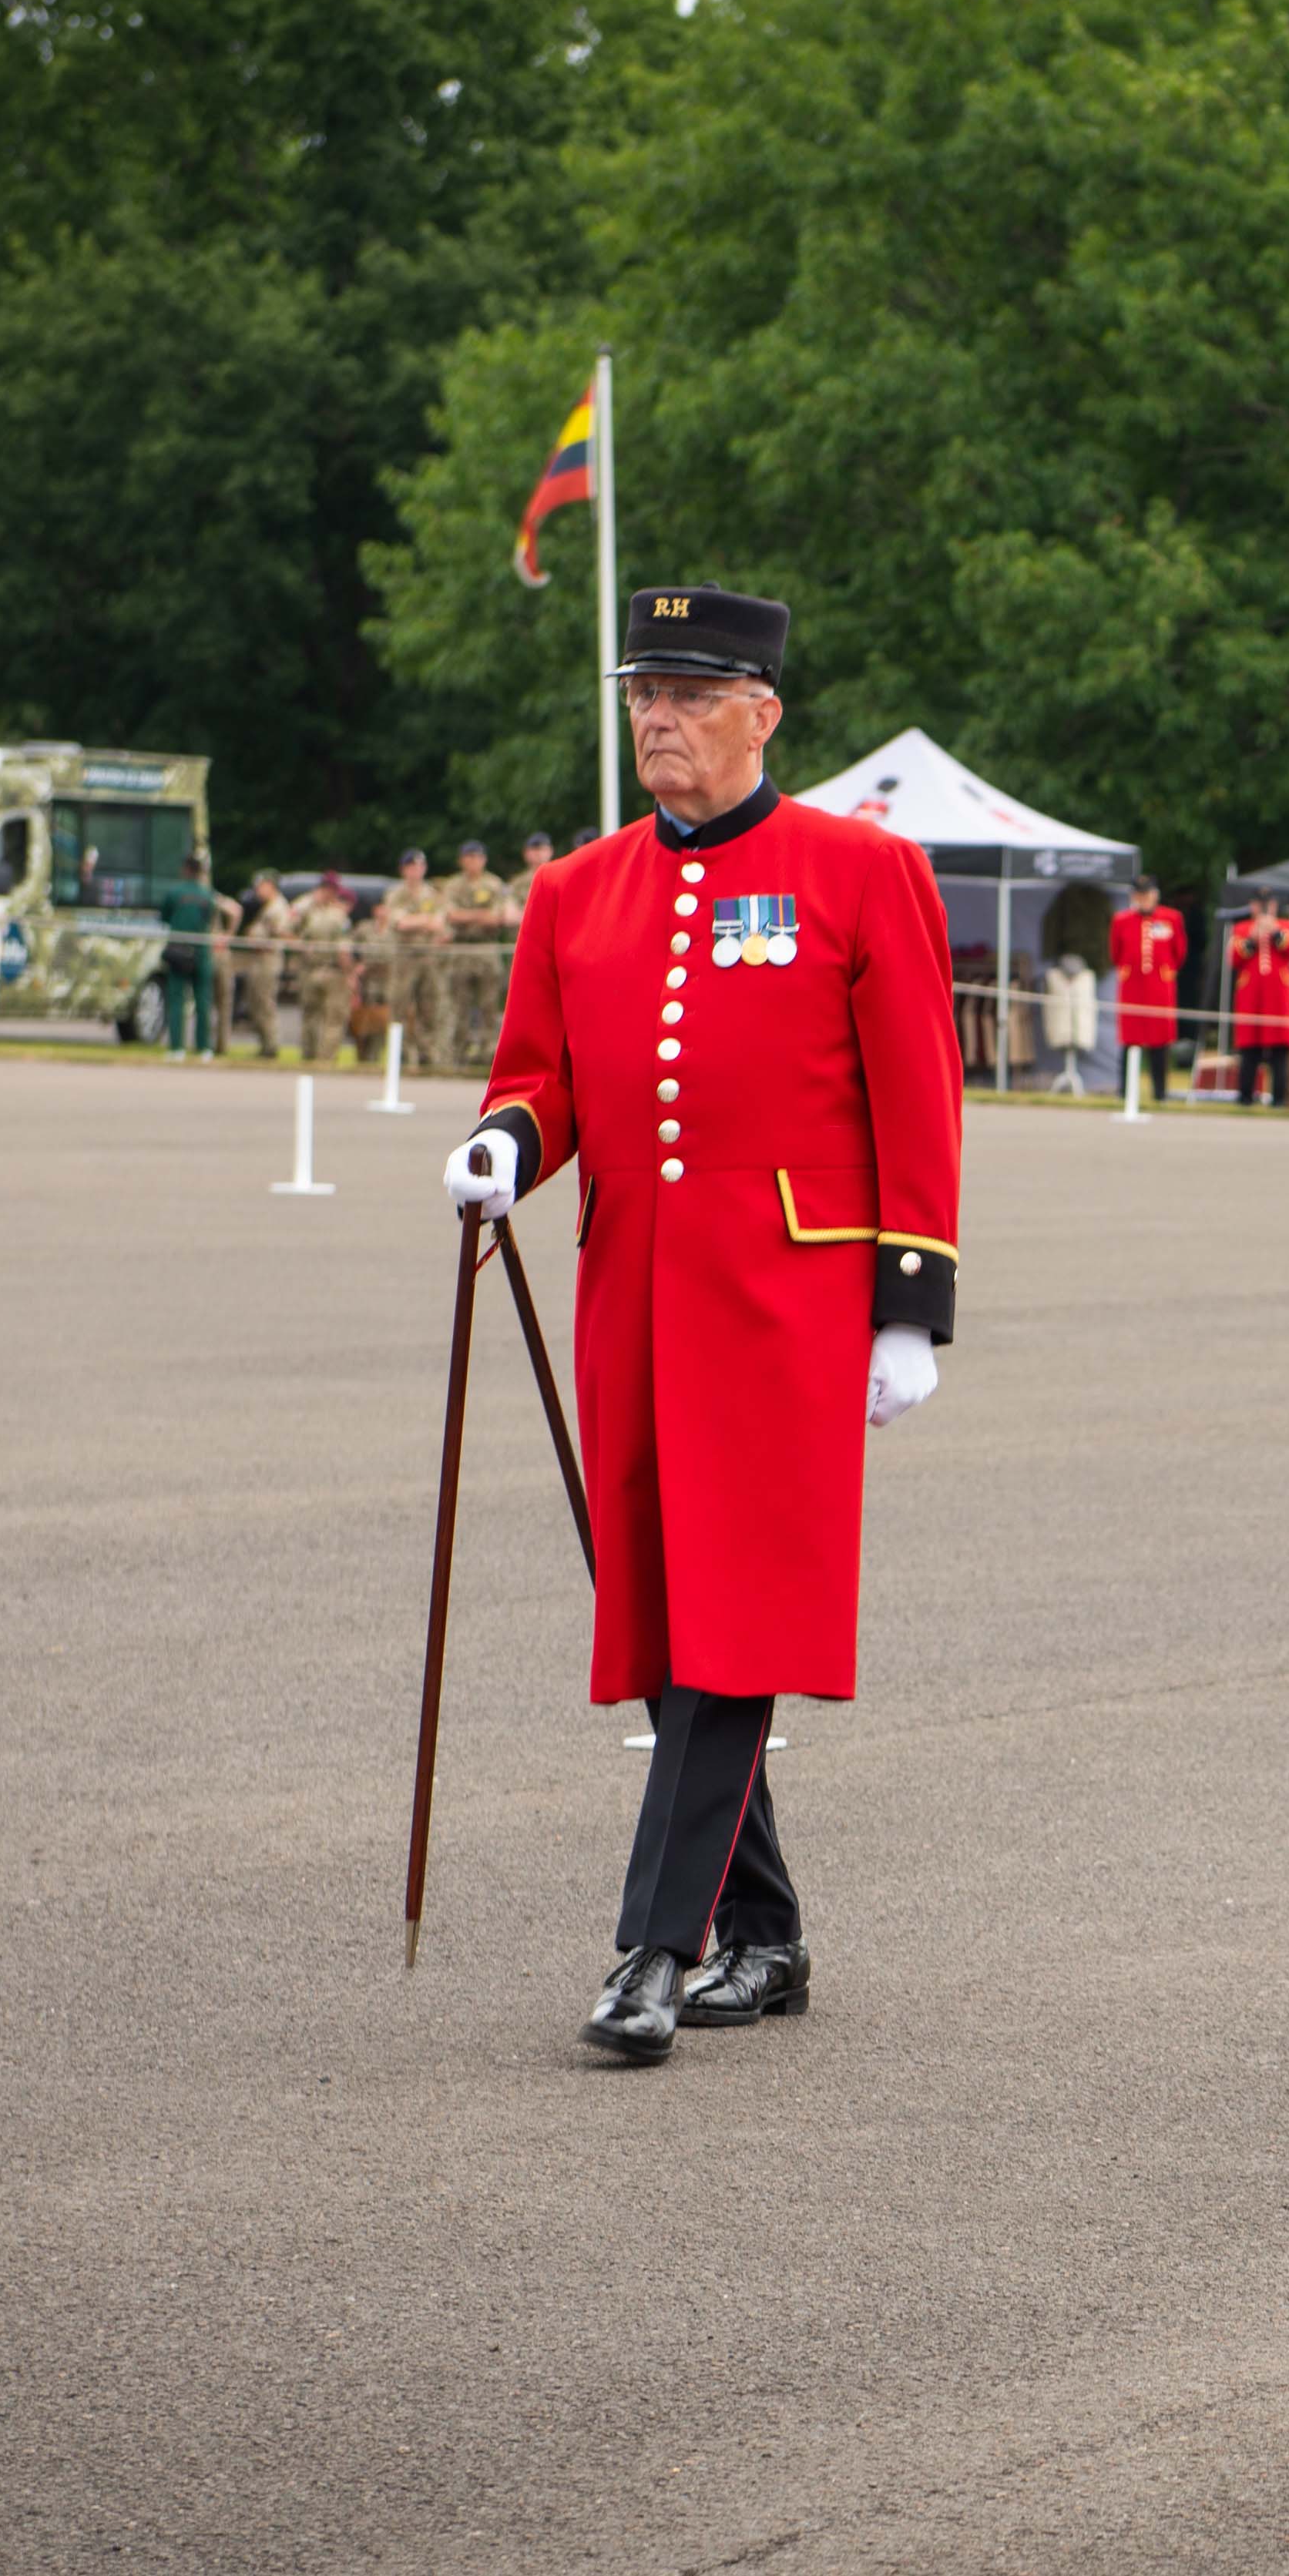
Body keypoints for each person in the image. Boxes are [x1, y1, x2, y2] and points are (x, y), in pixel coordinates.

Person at [444, 585, 960, 2066]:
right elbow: (542, 1074)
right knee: (677, 1618)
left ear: (762, 712)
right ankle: (770, 1931)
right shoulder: (574, 893)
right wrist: (507, 1144)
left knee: (741, 1621)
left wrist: (908, 1306)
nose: (658, 717)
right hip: (637, 1296)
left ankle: (654, 1948)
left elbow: (918, 1096)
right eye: (642, 693)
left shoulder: (859, 873)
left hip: (789, 1306)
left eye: (688, 691)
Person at [1107, 881, 1188, 1102]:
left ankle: (1160, 1092)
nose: (1143, 900)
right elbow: (1115, 954)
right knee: (1130, 1040)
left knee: (1159, 1040)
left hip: (1159, 988)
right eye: (1139, 895)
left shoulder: (1171, 918)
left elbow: (1179, 952)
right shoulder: (1121, 920)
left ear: (1155, 895)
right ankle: (1124, 1091)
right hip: (1132, 986)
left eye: (1147, 895)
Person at [441, 840, 518, 1066]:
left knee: (488, 1004)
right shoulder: (453, 885)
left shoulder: (494, 884)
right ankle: (458, 1053)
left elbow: (499, 917)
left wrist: (468, 915)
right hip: (462, 948)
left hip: (487, 948)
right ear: (462, 860)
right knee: (459, 1004)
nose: (472, 861)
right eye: (468, 857)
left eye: (477, 857)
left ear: (483, 860)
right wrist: (480, 915)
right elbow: (451, 915)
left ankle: (489, 1053)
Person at [377, 847, 454, 1069]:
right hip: (404, 958)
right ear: (404, 870)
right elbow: (400, 923)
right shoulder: (396, 894)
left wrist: (418, 921)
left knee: (430, 1006)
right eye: (411, 866)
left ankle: (428, 1053)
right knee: (399, 1006)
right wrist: (426, 921)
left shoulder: (433, 894)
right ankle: (399, 1054)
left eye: (420, 866)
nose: (416, 871)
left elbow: (440, 924)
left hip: (428, 958)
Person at [1227, 897, 1289, 1105]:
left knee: (1280, 1051)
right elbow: (1234, 958)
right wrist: (1252, 939)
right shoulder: (1242, 928)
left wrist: (1275, 932)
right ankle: (1245, 1095)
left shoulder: (1286, 926)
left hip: (1279, 999)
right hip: (1251, 998)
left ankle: (1279, 1098)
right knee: (1249, 1050)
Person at [156, 848, 222, 1061]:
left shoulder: (175, 893)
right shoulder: (208, 894)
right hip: (202, 951)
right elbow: (210, 919)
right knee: (203, 1000)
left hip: (178, 950)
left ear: (185, 869)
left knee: (177, 999)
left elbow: (164, 916)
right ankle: (204, 1048)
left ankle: (177, 1048)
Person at [288, 875, 358, 1063]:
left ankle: (308, 1055)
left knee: (310, 1015)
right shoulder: (340, 918)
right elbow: (344, 951)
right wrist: (350, 975)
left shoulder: (312, 914)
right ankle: (326, 1060)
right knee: (334, 1019)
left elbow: (294, 937)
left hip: (311, 971)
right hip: (333, 972)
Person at [222, 872, 287, 1059]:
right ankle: (265, 1044)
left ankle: (271, 1045)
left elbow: (279, 934)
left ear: (270, 886)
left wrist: (257, 939)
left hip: (268, 958)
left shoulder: (278, 907)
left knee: (265, 1002)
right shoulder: (266, 907)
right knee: (256, 1001)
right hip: (259, 959)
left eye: (261, 887)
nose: (258, 891)